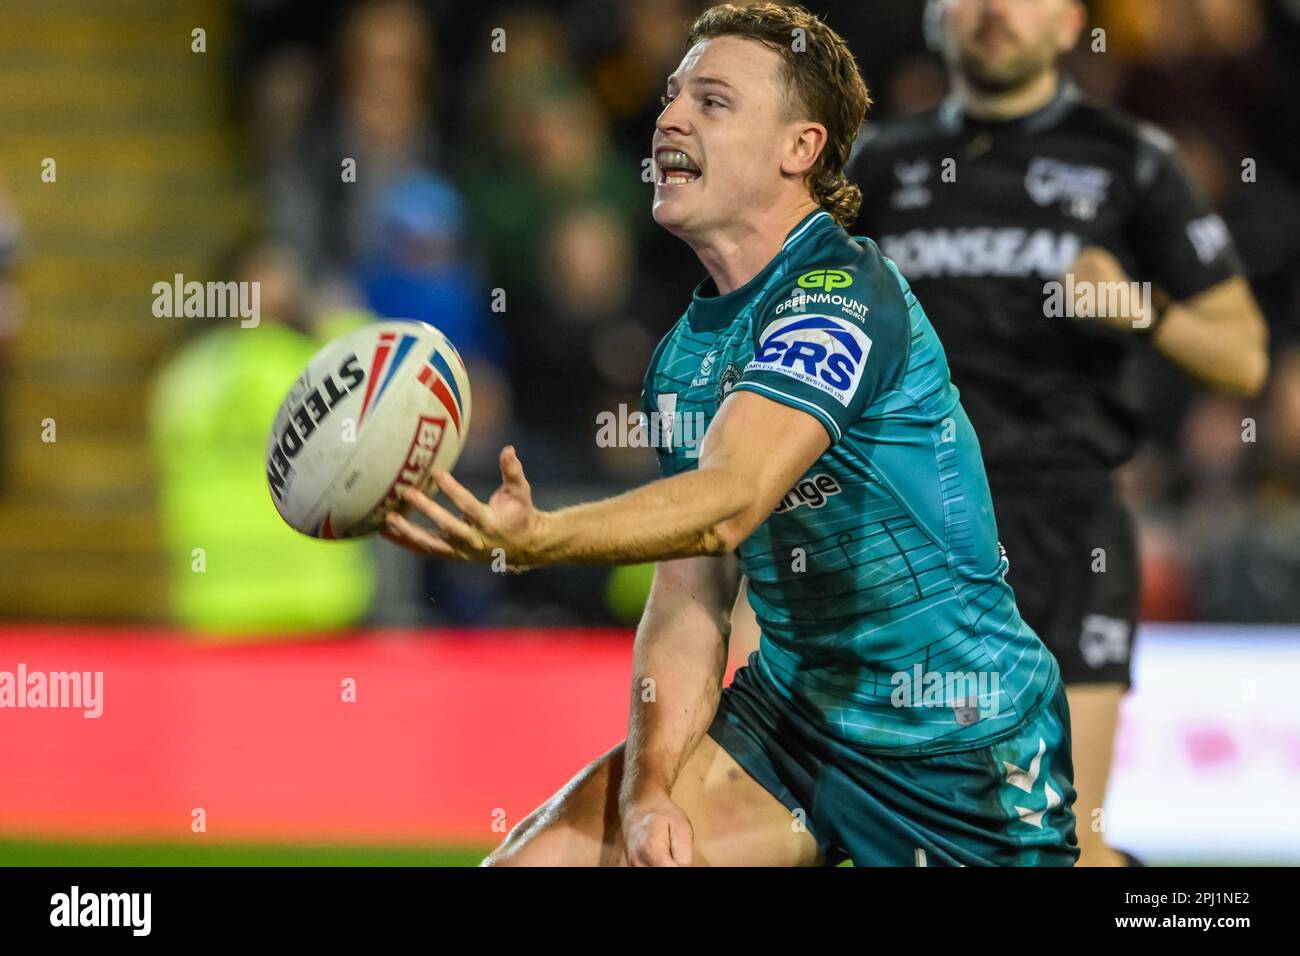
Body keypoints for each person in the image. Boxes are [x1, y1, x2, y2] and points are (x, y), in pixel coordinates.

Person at [385, 2, 1077, 867]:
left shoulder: (843, 295)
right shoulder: (681, 360)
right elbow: (691, 598)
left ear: (800, 148)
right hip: (794, 726)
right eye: (673, 96)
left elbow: (729, 502)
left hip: (962, 749)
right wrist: (647, 795)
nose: (669, 117)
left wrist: (545, 539)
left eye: (713, 102)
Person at [847, 0, 1269, 865]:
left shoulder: (1129, 160)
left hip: (1063, 530)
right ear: (937, 18)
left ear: (1072, 21)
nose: (996, 11)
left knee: (1062, 837)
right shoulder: (880, 165)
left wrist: (1138, 308)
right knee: (893, 834)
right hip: (903, 534)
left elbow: (1244, 357)